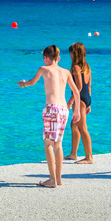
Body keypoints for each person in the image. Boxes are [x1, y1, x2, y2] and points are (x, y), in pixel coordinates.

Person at [18, 45, 80, 187]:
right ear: (58, 58)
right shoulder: (66, 72)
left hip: (52, 109)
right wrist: (76, 111)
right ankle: (58, 179)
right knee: (58, 144)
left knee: (48, 145)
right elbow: (76, 92)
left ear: (46, 58)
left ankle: (52, 180)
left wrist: (23, 84)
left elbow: (31, 82)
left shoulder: (43, 69)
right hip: (64, 109)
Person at [65, 42, 94, 164]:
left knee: (82, 128)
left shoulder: (76, 67)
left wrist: (71, 101)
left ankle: (89, 157)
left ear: (74, 54)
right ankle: (73, 154)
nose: (69, 55)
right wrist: (89, 103)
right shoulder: (87, 67)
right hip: (85, 98)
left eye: (71, 53)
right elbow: (89, 86)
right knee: (74, 125)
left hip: (79, 98)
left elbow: (79, 86)